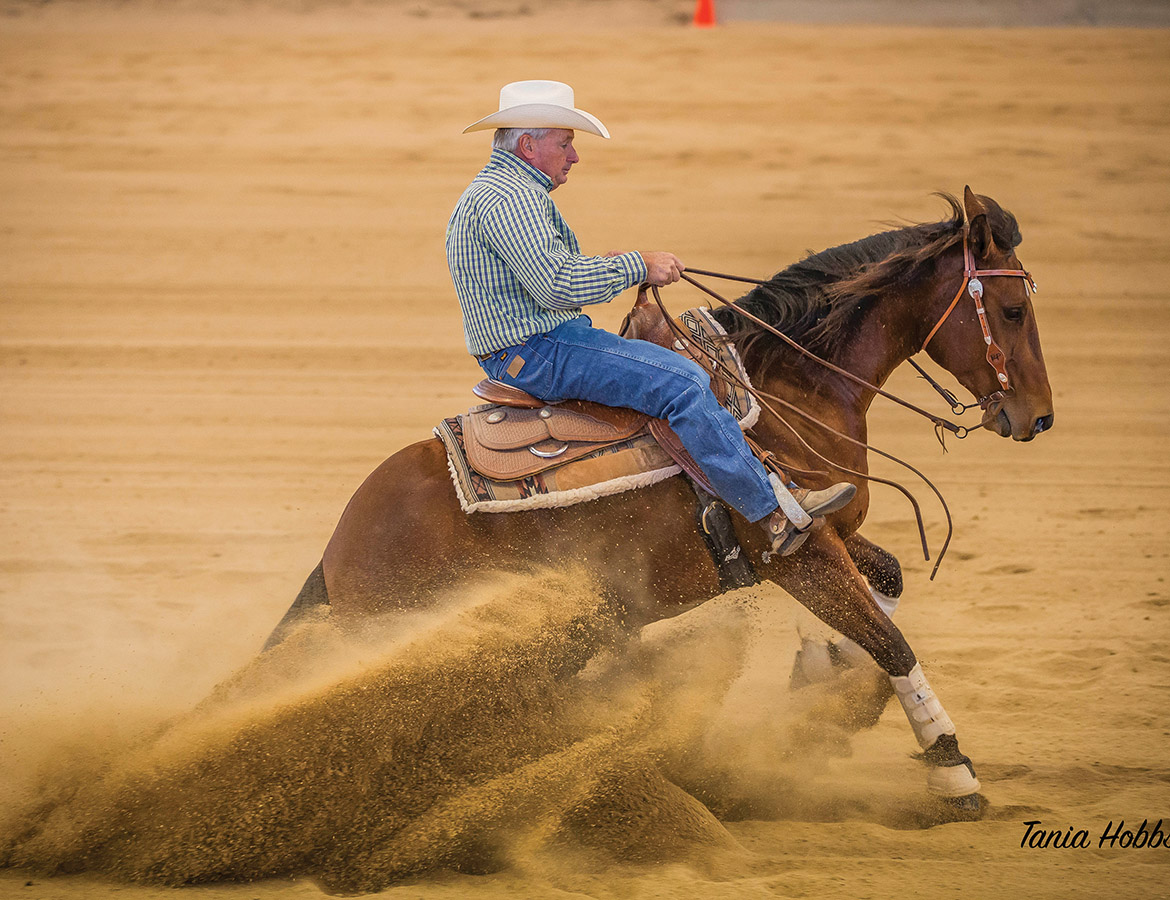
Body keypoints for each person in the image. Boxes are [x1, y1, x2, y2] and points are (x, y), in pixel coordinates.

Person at [445, 80, 854, 555]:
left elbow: (543, 276)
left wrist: (606, 267)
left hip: (532, 345)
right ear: (529, 145)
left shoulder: (500, 192)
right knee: (681, 381)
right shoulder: (511, 199)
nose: (574, 156)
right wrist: (638, 264)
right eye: (566, 143)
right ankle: (775, 513)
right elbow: (556, 284)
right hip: (541, 350)